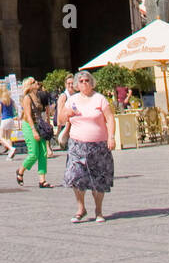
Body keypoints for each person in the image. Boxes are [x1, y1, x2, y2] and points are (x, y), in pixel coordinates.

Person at [60, 70, 116, 222]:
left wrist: (111, 137)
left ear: (92, 83)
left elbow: (110, 118)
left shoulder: (100, 99)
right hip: (77, 145)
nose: (84, 83)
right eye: (81, 81)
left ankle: (98, 210)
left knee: (98, 178)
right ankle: (81, 208)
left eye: (87, 81)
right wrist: (66, 112)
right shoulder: (72, 100)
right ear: (77, 85)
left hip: (98, 146)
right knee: (75, 176)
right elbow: (60, 119)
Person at [16, 77, 51, 188]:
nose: (37, 82)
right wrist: (33, 130)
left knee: (43, 153)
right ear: (29, 86)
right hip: (29, 126)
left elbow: (42, 112)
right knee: (33, 154)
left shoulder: (38, 96)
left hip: (39, 126)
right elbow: (28, 116)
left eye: (36, 81)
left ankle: (42, 180)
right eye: (33, 82)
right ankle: (20, 171)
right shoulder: (27, 98)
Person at [0, 86, 17, 158]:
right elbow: (15, 108)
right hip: (11, 119)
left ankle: (11, 149)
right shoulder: (10, 100)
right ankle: (10, 154)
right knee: (8, 137)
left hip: (5, 120)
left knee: (2, 137)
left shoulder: (1, 101)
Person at [55, 75, 77, 145]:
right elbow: (59, 112)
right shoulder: (64, 96)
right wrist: (59, 129)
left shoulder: (76, 95)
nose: (71, 85)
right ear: (65, 85)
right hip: (65, 126)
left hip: (74, 125)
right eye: (68, 83)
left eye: (72, 83)